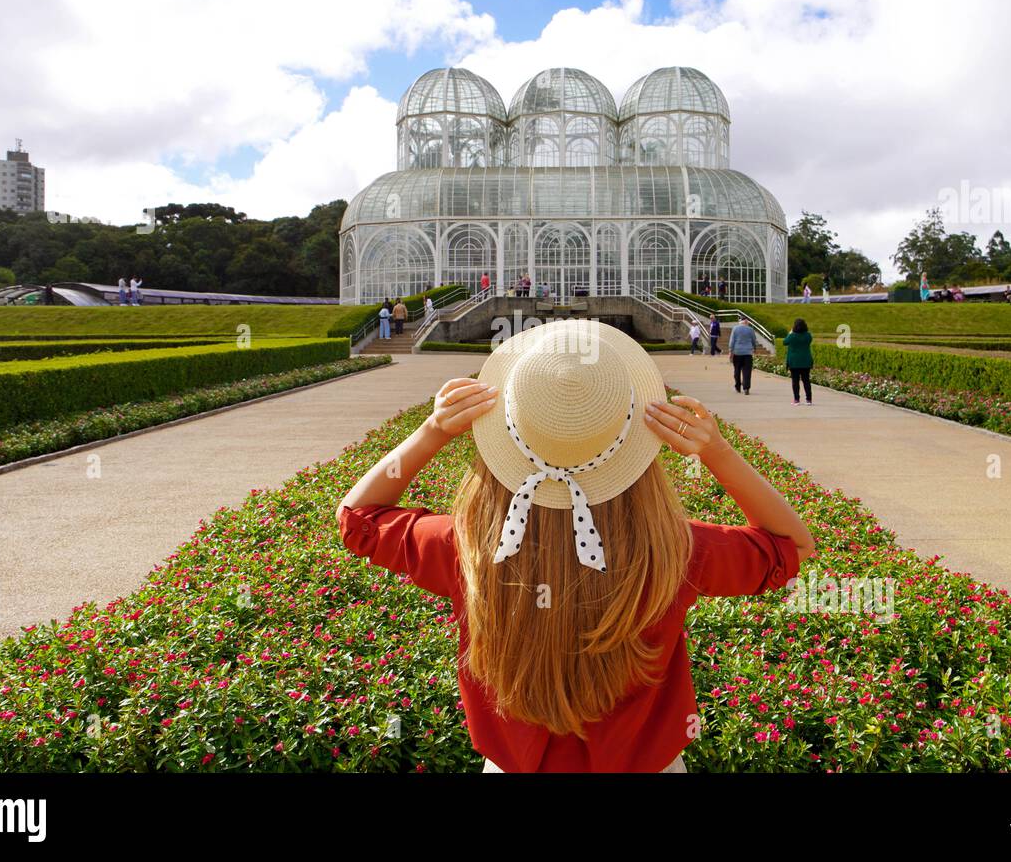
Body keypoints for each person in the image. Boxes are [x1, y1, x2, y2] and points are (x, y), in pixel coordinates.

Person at [335, 320, 816, 772]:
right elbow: (794, 545)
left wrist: (432, 431)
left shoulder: (467, 547)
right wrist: (716, 450)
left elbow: (356, 520)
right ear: (636, 444)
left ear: (502, 435)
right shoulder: (677, 552)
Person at [783, 318, 814, 406]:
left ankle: (797, 400)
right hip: (806, 360)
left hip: (794, 361)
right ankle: (809, 400)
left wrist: (790, 333)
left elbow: (785, 342)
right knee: (806, 380)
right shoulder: (808, 335)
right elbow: (809, 340)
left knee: (795, 381)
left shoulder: (792, 335)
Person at [728, 319, 757, 394]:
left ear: (740, 322)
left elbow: (732, 341)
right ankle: (746, 388)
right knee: (747, 371)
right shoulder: (750, 329)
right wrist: (754, 348)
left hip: (737, 353)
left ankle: (738, 386)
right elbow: (754, 340)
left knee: (737, 370)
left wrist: (730, 351)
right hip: (748, 353)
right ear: (746, 323)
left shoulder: (735, 328)